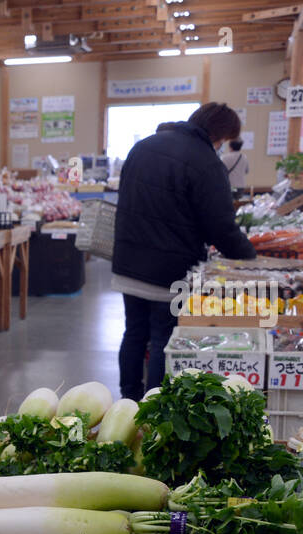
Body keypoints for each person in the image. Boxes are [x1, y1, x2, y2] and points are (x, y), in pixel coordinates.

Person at [110, 102, 257, 401]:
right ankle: (152, 408)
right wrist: (249, 258)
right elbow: (220, 226)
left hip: (127, 262)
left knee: (134, 333)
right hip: (169, 271)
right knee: (163, 338)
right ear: (219, 135)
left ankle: (127, 400)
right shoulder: (205, 161)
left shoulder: (142, 147)